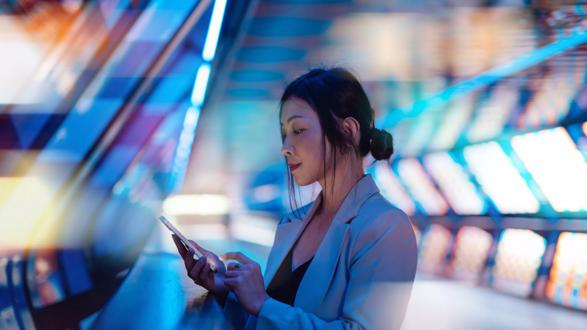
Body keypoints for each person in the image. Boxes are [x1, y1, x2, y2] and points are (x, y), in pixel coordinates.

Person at [173, 67, 418, 329]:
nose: (285, 147)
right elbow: (269, 318)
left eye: (298, 130)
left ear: (348, 130)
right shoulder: (292, 223)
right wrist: (228, 290)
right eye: (285, 133)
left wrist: (261, 302)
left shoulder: (388, 228)